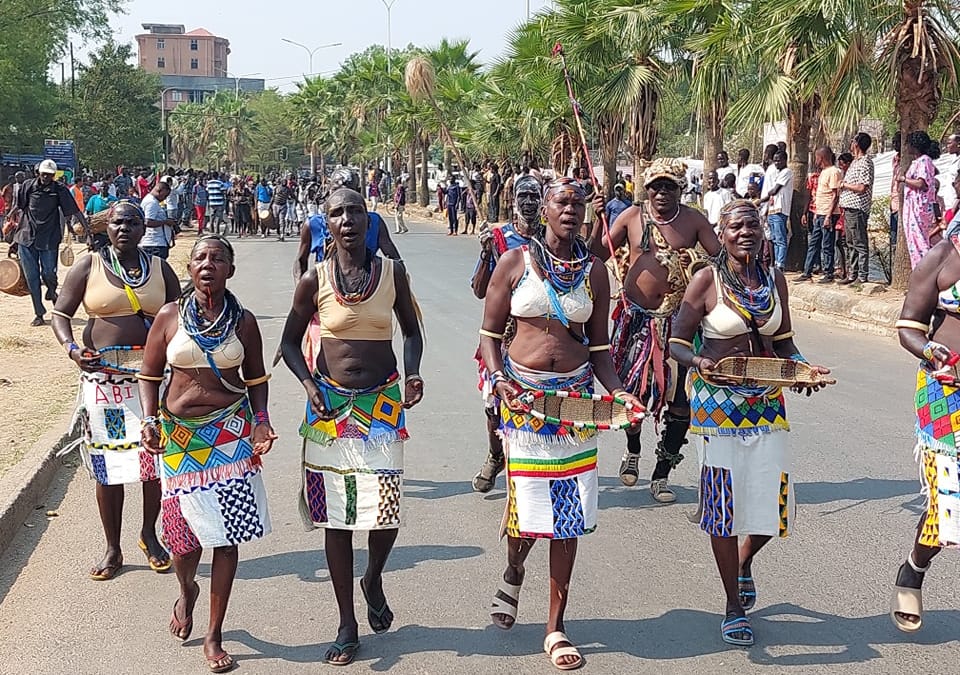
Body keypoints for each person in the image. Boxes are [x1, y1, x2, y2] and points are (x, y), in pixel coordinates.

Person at [481, 177, 641, 670]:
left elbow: (599, 352)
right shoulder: (514, 263)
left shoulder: (595, 272)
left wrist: (619, 393)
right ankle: (513, 570)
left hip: (576, 404)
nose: (570, 209)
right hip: (524, 402)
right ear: (545, 209)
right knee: (527, 512)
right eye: (561, 201)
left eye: (578, 202)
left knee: (567, 515)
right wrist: (500, 380)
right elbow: (489, 335)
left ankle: (555, 626)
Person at [670, 199, 830, 646]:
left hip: (766, 404)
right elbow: (677, 343)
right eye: (736, 226)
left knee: (776, 505)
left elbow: (785, 344)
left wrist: (803, 370)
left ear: (763, 232)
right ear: (721, 234)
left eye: (753, 225)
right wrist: (700, 362)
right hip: (717, 408)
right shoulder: (706, 280)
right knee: (723, 509)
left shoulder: (774, 280)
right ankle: (732, 607)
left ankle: (743, 562)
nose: (746, 232)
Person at [280, 188, 423, 666]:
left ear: (370, 221)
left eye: (356, 211)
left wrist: (415, 371)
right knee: (336, 519)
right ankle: (346, 623)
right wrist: (308, 384)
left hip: (382, 405)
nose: (347, 220)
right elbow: (289, 343)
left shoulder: (392, 274)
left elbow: (411, 330)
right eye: (337, 213)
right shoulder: (313, 279)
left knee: (385, 513)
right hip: (328, 409)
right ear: (327, 223)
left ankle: (374, 577)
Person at [139, 235, 275, 674]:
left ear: (230, 270)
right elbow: (149, 373)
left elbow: (256, 380)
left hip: (230, 438)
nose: (208, 264)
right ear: (190, 267)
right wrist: (149, 420)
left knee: (225, 538)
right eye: (200, 257)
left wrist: (262, 420)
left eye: (218, 258)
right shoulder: (169, 316)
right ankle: (187, 589)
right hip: (179, 439)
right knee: (181, 540)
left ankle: (214, 633)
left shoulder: (244, 322)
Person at [51, 201, 181, 581]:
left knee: (153, 462)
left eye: (132, 222)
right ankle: (112, 547)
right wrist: (73, 350)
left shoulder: (160, 268)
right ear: (106, 227)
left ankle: (149, 534)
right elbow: (61, 313)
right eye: (117, 222)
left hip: (152, 381)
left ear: (144, 228)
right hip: (104, 382)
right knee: (109, 467)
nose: (124, 227)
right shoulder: (88, 265)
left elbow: (181, 314)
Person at [589, 159, 720, 503]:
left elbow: (721, 261)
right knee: (632, 395)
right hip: (637, 322)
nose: (662, 193)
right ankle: (633, 449)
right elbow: (594, 253)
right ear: (646, 189)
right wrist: (594, 216)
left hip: (679, 326)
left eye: (669, 187)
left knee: (679, 402)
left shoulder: (693, 220)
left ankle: (662, 473)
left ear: (681, 189)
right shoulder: (631, 217)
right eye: (656, 187)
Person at [890, 223, 960, 632]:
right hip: (945, 392)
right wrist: (931, 352)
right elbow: (909, 327)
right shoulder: (943, 256)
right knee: (949, 500)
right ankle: (915, 568)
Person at [470, 174, 543, 493]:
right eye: (523, 196)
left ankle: (534, 461)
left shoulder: (551, 237)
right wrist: (487, 252)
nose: (529, 202)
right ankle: (495, 454)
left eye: (535, 196)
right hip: (503, 331)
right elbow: (479, 290)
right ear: (513, 199)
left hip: (538, 328)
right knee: (493, 403)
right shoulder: (500, 237)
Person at [11, 159, 90, 326]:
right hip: (26, 237)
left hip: (49, 238)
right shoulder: (27, 186)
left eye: (49, 175)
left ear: (54, 176)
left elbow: (75, 211)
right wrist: (14, 237)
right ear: (38, 173)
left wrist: (88, 233)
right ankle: (39, 313)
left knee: (49, 274)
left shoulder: (59, 190)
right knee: (32, 277)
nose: (46, 177)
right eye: (44, 174)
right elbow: (20, 208)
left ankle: (52, 290)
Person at [836, 133, 875, 284]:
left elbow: (862, 187)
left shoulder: (865, 162)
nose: (851, 143)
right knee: (850, 241)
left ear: (857, 143)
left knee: (859, 241)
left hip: (857, 207)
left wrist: (844, 185)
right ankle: (853, 274)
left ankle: (862, 275)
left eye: (853, 141)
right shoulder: (855, 162)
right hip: (848, 207)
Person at [899, 130, 940, 269]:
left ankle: (924, 272)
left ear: (915, 145)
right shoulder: (920, 161)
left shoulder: (924, 160)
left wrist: (904, 179)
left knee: (920, 242)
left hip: (919, 209)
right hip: (913, 207)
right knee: (914, 241)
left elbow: (921, 184)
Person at [799, 147, 841, 282]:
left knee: (827, 244)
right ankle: (807, 271)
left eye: (817, 157)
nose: (816, 160)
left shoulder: (834, 172)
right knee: (814, 242)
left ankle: (829, 273)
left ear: (821, 158)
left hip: (828, 213)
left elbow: (835, 195)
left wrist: (828, 215)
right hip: (819, 212)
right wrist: (817, 212)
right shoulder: (823, 172)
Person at [760, 151, 794, 269]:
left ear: (785, 160)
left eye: (779, 160)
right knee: (774, 238)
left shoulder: (787, 172)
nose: (776, 163)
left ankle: (780, 263)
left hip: (780, 209)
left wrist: (765, 196)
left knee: (780, 239)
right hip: (772, 209)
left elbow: (774, 190)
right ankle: (775, 264)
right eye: (775, 160)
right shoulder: (777, 172)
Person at [141, 179, 178, 261]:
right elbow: (147, 222)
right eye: (164, 196)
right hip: (153, 245)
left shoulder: (153, 201)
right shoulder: (151, 202)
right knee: (156, 270)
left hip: (157, 243)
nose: (164, 199)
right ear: (159, 191)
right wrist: (165, 222)